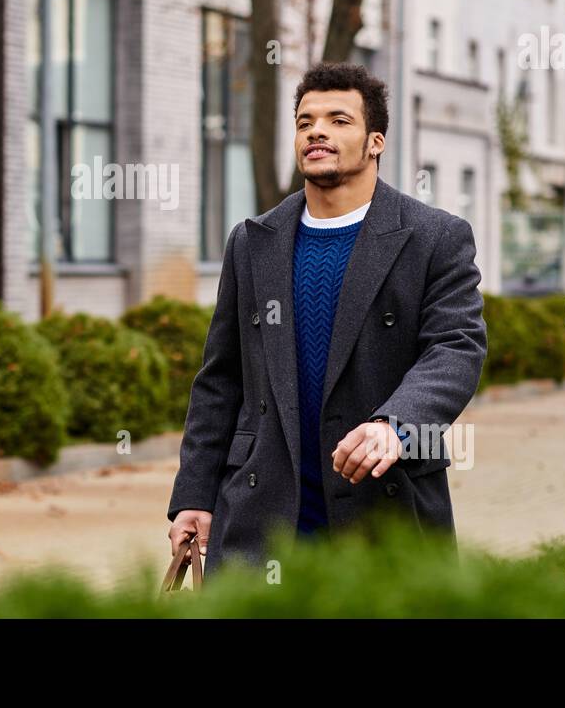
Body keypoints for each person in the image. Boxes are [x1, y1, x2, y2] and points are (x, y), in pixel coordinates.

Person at [166, 61, 487, 579]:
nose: (317, 130)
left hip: (384, 503)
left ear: (375, 141)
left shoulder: (433, 238)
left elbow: (455, 347)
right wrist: (193, 495)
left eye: (339, 120)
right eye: (305, 121)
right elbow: (221, 381)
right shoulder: (253, 241)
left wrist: (396, 425)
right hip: (261, 513)